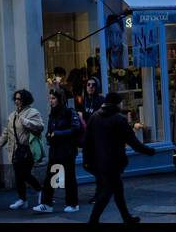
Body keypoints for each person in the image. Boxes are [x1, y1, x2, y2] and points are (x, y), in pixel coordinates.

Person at [82, 92, 156, 223]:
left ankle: (126, 217)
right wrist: (149, 151)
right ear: (117, 103)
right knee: (107, 192)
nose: (122, 104)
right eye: (121, 102)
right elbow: (133, 142)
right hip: (114, 161)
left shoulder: (94, 117)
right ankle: (93, 220)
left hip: (99, 160)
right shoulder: (119, 119)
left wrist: (86, 160)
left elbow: (87, 141)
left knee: (117, 190)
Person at [0, 88, 45, 210]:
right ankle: (22, 199)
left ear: (25, 100)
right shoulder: (13, 115)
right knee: (18, 176)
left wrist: (26, 121)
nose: (17, 101)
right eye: (16, 99)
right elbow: (6, 133)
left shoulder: (33, 112)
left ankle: (40, 190)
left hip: (28, 149)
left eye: (19, 99)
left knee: (25, 173)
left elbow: (40, 127)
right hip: (16, 150)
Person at [36, 86, 84, 214]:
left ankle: (73, 204)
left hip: (67, 150)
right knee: (50, 177)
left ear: (59, 99)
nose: (50, 101)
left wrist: (57, 134)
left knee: (69, 177)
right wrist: (48, 135)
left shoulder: (69, 112)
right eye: (50, 98)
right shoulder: (53, 113)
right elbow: (50, 130)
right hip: (55, 150)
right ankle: (46, 204)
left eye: (53, 98)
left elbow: (75, 129)